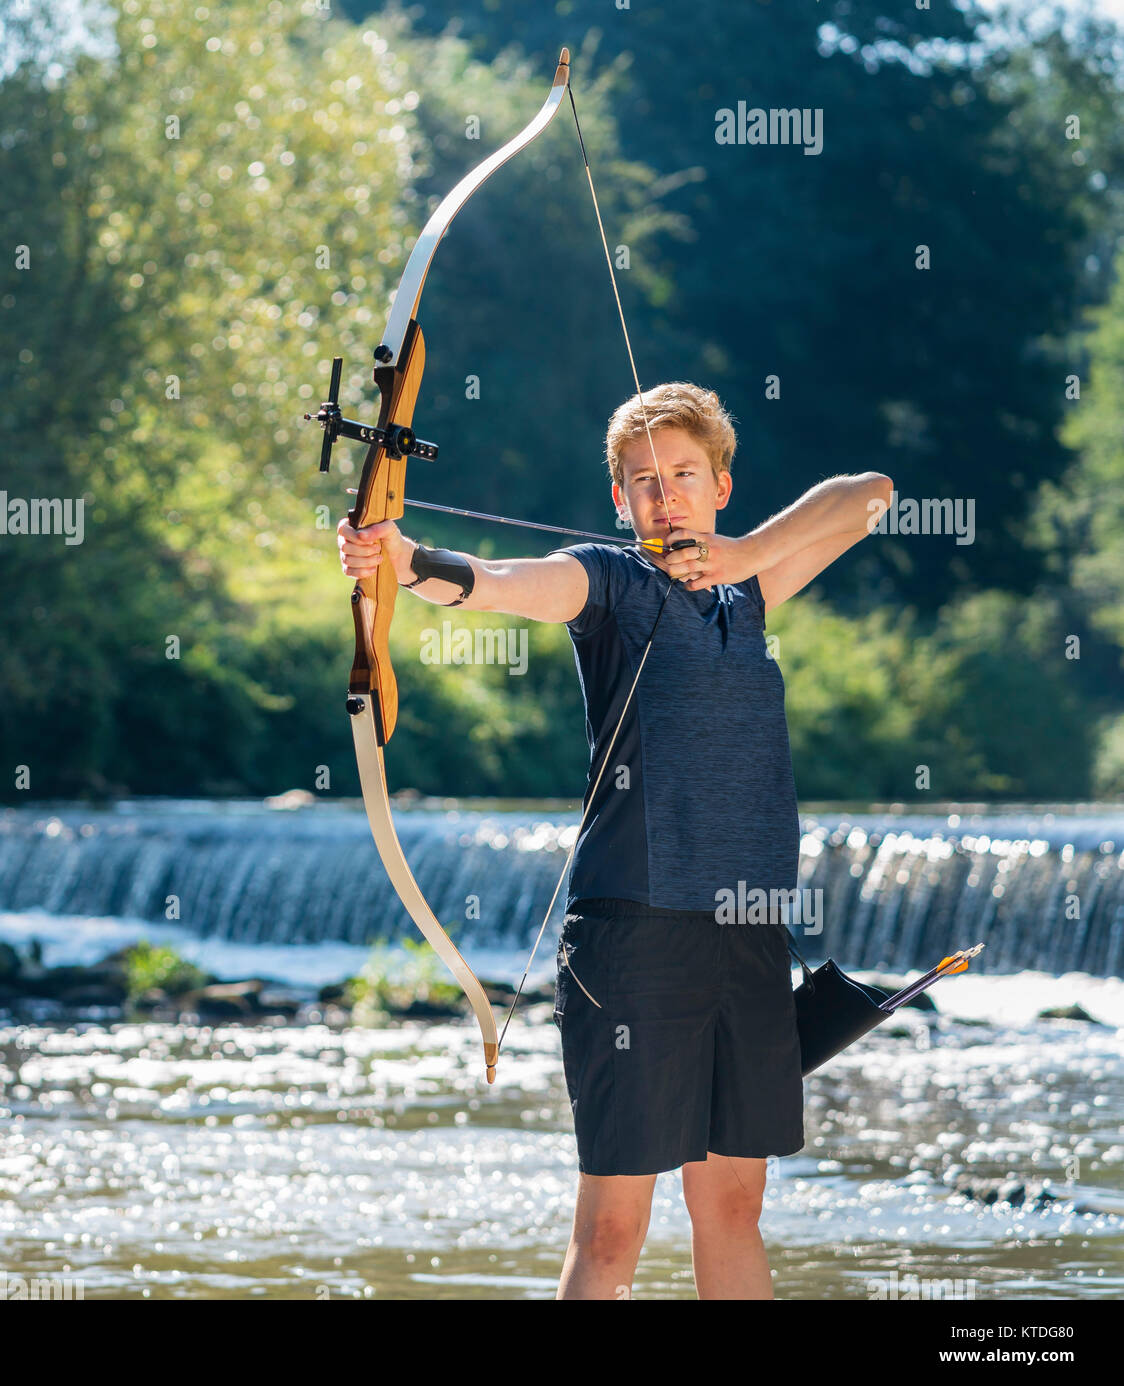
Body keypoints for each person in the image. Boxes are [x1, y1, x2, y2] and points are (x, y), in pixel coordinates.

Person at [337, 380, 892, 1300]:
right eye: (642, 480)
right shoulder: (611, 582)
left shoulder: (751, 590)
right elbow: (501, 584)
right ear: (619, 500)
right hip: (634, 935)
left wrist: (747, 553)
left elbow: (872, 494)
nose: (664, 494)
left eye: (683, 473)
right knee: (612, 1224)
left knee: (733, 1208)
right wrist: (402, 557)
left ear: (721, 481)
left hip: (747, 933)